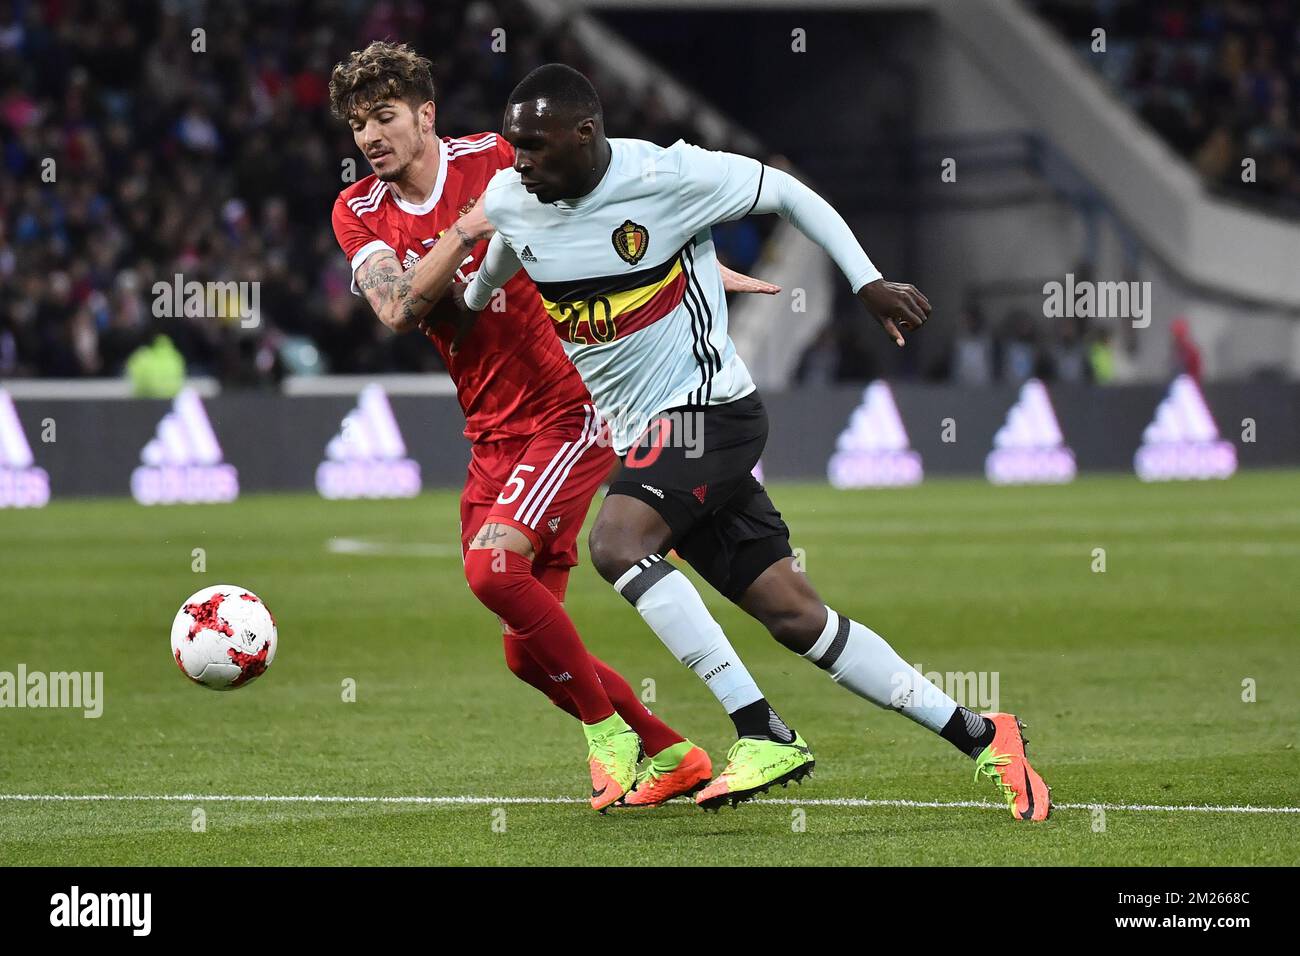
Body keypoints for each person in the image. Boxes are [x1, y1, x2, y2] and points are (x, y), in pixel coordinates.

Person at [455, 64, 1051, 818]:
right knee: (798, 617)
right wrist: (472, 302)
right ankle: (981, 732)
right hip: (651, 439)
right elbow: (511, 241)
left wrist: (866, 281)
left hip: (709, 412)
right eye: (513, 147)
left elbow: (791, 191)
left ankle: (760, 727)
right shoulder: (515, 196)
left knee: (616, 544)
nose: (520, 161)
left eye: (535, 146)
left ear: (586, 133)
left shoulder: (668, 176)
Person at [327, 42, 773, 810]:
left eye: (385, 116)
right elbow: (397, 307)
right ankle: (675, 753)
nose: (370, 136)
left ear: (425, 115)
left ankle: (607, 733)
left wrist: (690, 267)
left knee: (491, 572)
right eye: (358, 123)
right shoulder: (356, 211)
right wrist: (469, 231)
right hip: (493, 432)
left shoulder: (498, 159)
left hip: (570, 409)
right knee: (526, 654)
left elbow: (597, 221)